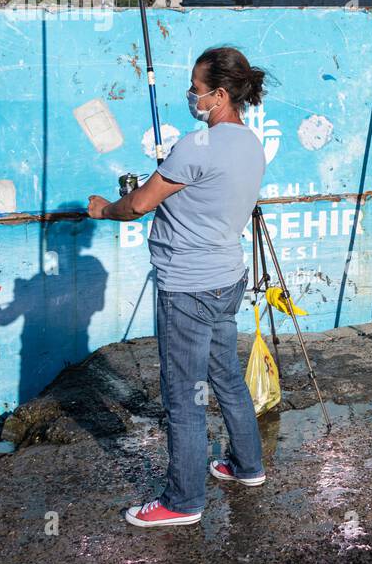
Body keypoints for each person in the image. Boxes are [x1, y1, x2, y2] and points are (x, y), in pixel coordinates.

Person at [87, 46, 269, 528]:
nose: (191, 96)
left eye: (197, 89)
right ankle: (247, 467)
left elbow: (139, 204)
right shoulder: (251, 143)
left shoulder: (195, 146)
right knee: (226, 376)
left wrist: (105, 208)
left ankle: (182, 502)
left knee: (184, 395)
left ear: (221, 94)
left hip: (188, 287)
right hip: (226, 281)